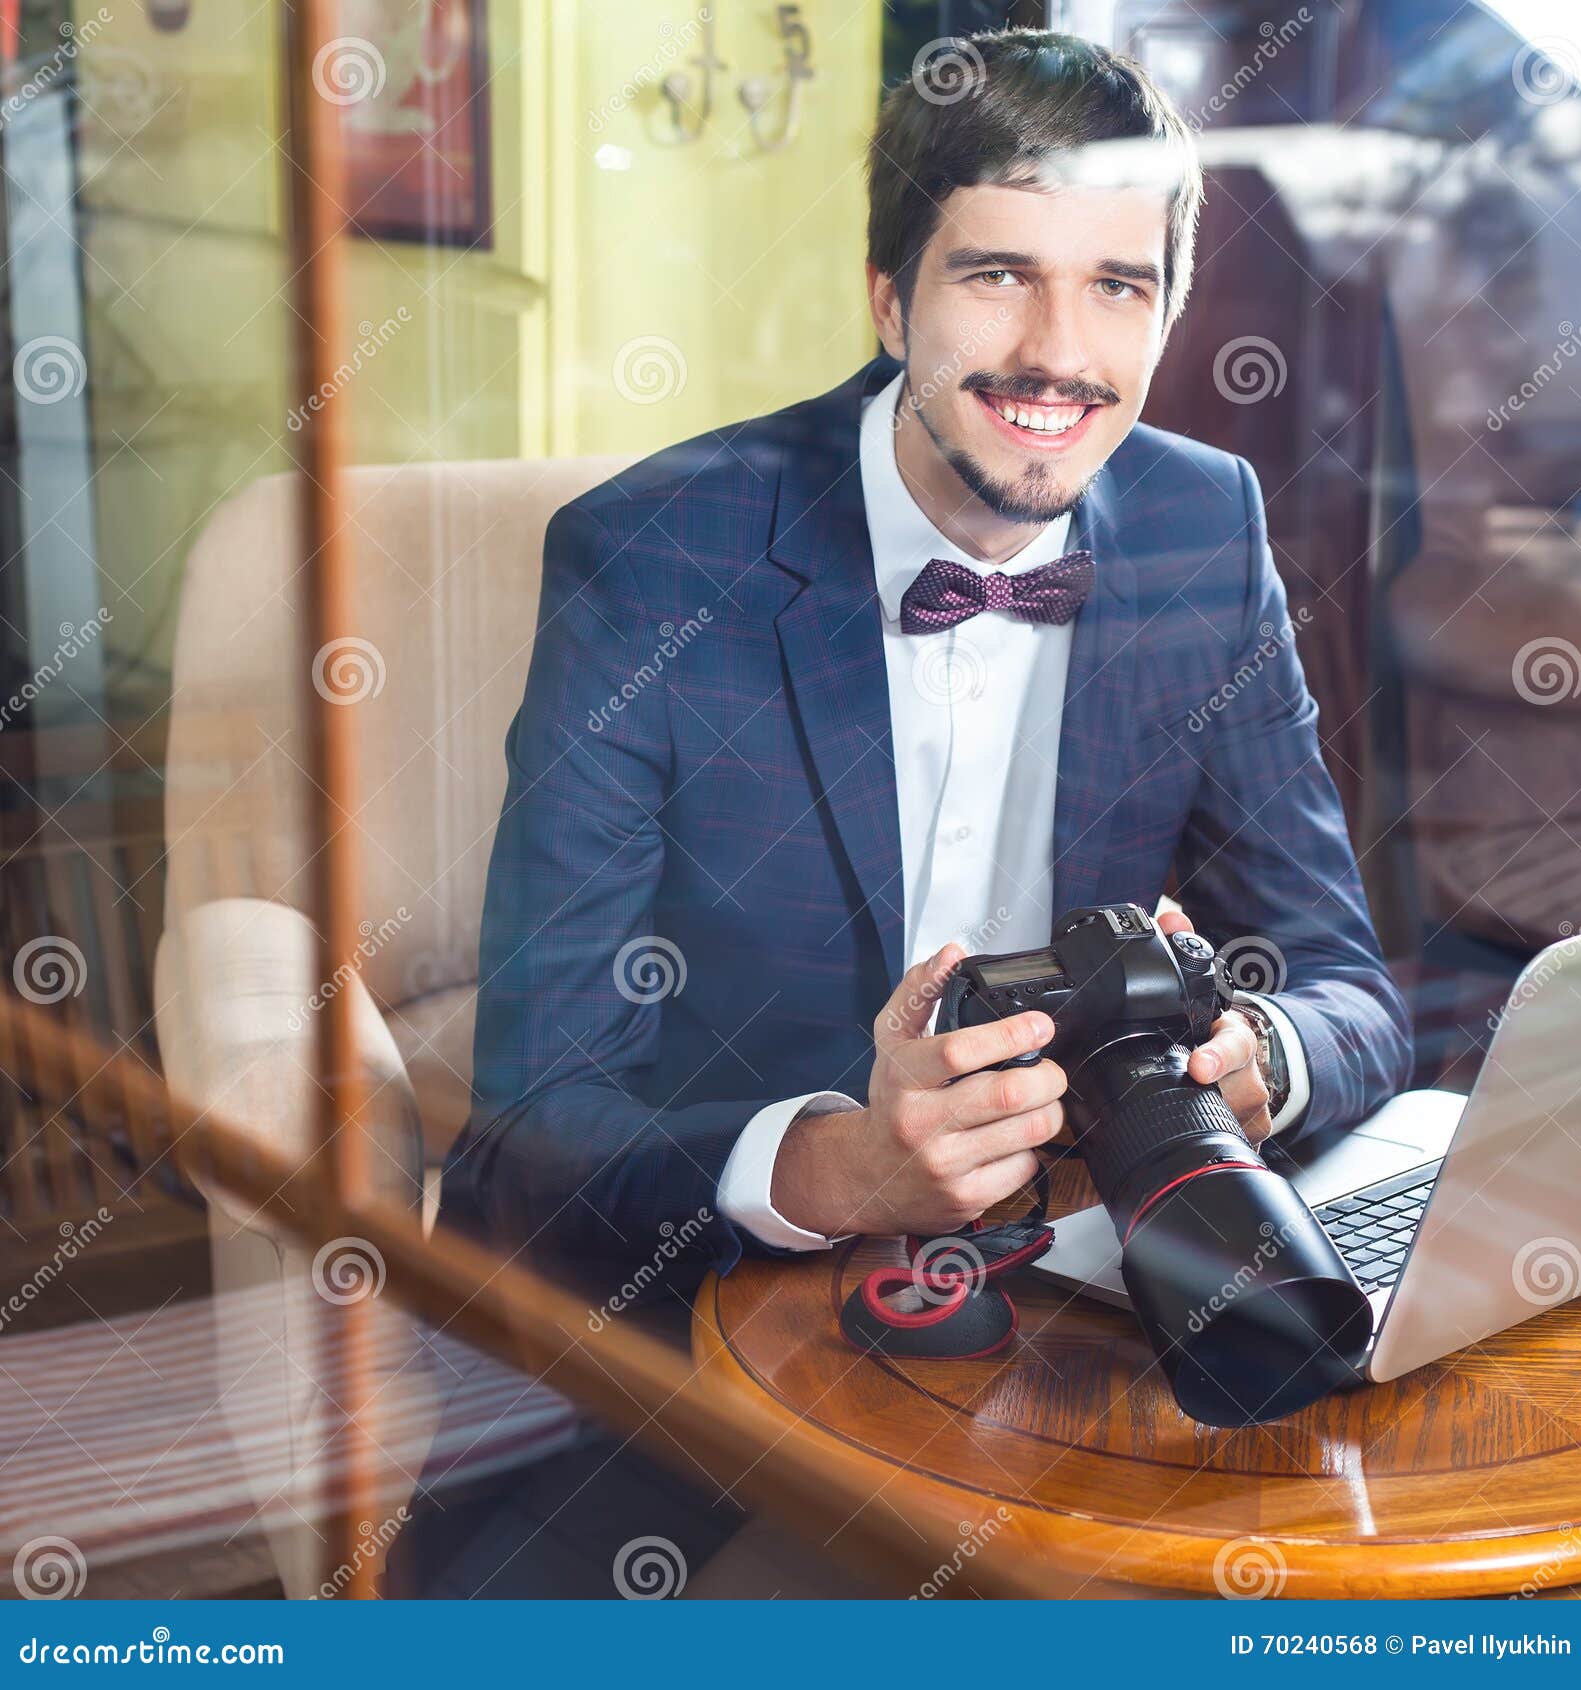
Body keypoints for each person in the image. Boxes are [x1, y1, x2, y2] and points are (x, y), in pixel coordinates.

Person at [390, 28, 1412, 1600]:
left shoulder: (1208, 530)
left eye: (1119, 285)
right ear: (890, 297)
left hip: (1071, 1313)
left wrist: (1257, 1059)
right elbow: (532, 1124)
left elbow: (1352, 993)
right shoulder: (651, 559)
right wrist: (845, 1171)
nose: (1061, 353)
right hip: (674, 1319)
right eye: (998, 273)